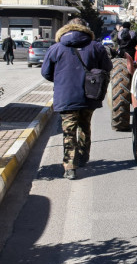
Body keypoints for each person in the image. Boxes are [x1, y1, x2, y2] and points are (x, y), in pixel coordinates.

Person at [41, 18, 113, 180]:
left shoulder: (55, 48)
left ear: (66, 29)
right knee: (85, 127)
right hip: (90, 94)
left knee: (69, 131)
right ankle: (82, 158)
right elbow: (107, 68)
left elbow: (46, 73)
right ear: (85, 29)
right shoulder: (96, 47)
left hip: (65, 96)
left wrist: (61, 79)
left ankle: (70, 167)